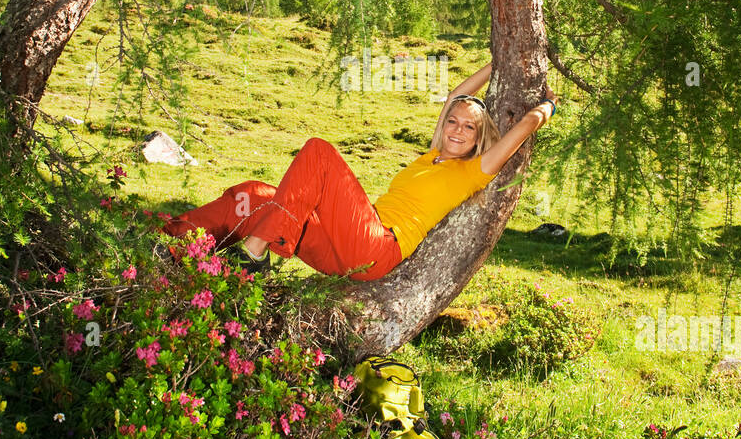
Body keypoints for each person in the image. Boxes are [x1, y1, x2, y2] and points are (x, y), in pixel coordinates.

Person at [159, 61, 557, 280]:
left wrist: (548, 107)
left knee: (318, 153)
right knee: (255, 195)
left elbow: (523, 127)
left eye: (469, 127)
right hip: (343, 245)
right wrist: (496, 62)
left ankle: (254, 254)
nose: (458, 130)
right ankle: (171, 243)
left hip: (378, 247)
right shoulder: (429, 155)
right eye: (453, 122)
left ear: (478, 139)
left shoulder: (475, 170)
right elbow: (455, 96)